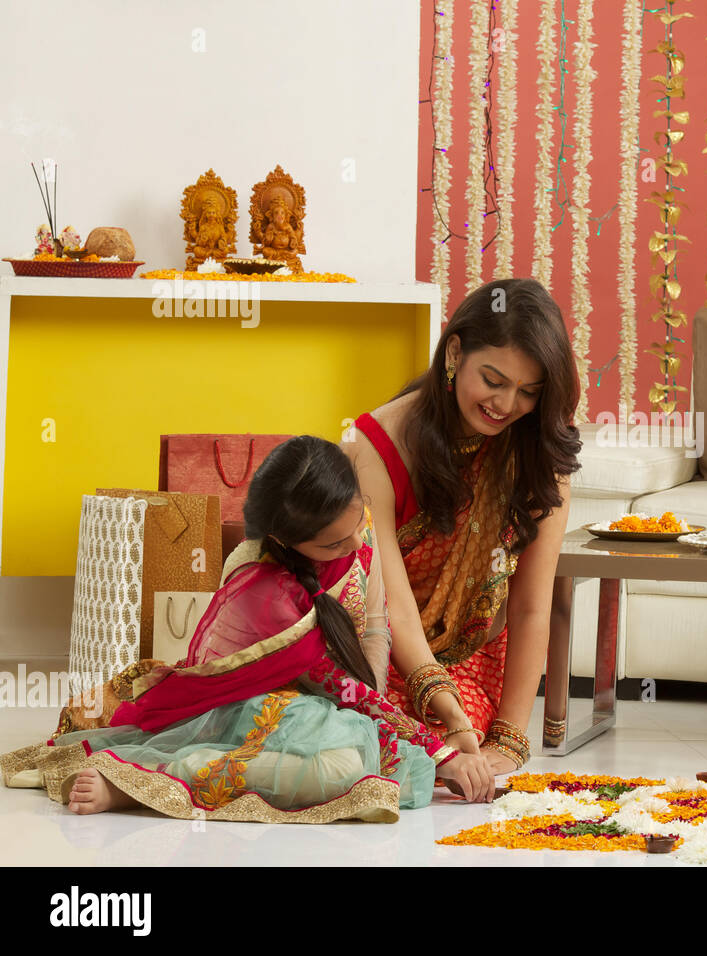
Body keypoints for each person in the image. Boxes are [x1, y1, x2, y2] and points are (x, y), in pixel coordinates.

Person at [0, 436, 496, 820]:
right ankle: (150, 781)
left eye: (357, 528)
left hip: (334, 705)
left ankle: (192, 776)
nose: (354, 545)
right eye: (333, 544)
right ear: (286, 539)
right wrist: (437, 751)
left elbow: (374, 632)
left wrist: (378, 726)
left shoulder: (353, 532)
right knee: (343, 767)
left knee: (350, 761)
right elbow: (336, 685)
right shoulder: (261, 586)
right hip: (248, 709)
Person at [347, 278, 581, 774]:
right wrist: (441, 701)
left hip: (469, 656)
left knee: (453, 746)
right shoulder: (378, 443)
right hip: (380, 641)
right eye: (493, 380)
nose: (505, 404)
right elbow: (391, 604)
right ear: (454, 353)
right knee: (347, 723)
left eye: (528, 392)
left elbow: (532, 605)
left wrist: (511, 738)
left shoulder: (539, 455)